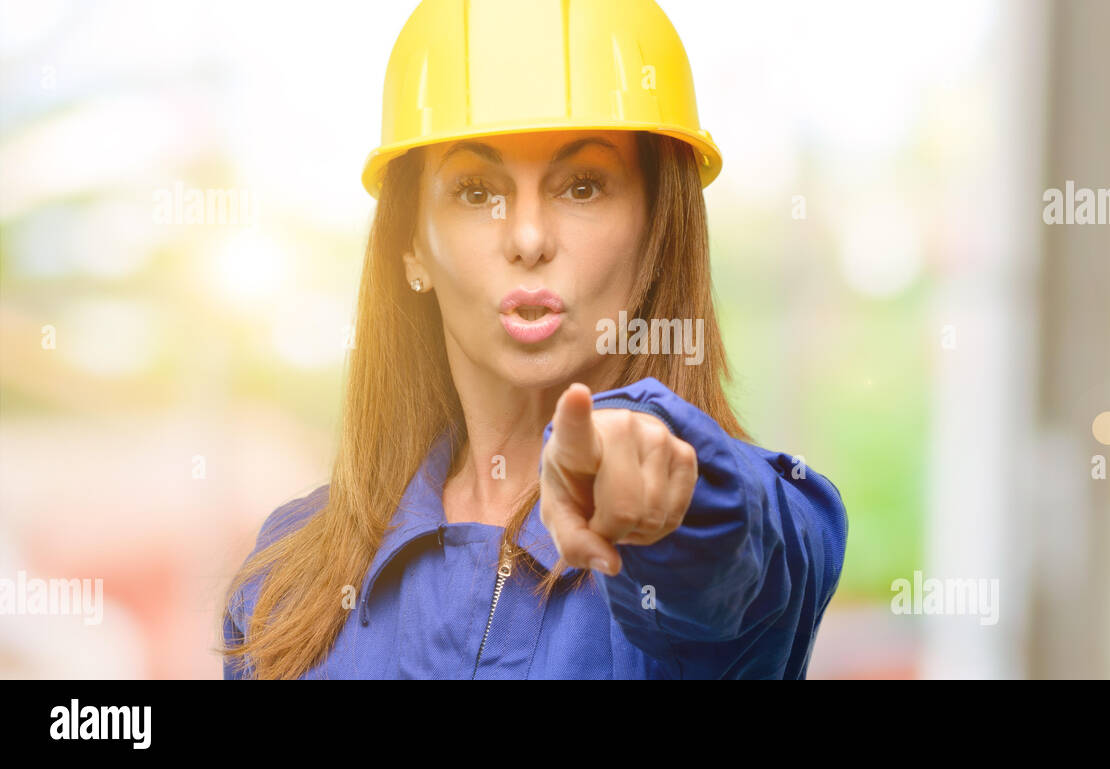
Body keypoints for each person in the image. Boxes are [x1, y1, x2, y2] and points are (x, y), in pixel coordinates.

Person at [220, 0, 847, 679]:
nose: (527, 238)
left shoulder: (760, 528)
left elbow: (736, 556)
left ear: (656, 232)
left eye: (582, 186)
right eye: (474, 189)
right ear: (412, 246)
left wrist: (670, 491)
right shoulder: (285, 582)